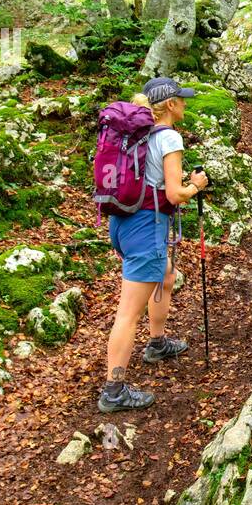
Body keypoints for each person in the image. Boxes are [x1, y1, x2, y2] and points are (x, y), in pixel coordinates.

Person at [99, 76, 209, 412]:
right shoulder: (169, 137)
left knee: (166, 275)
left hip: (122, 221)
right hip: (147, 224)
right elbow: (175, 193)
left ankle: (157, 343)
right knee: (128, 313)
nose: (185, 105)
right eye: (182, 100)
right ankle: (113, 390)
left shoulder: (136, 132)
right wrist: (197, 186)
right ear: (171, 105)